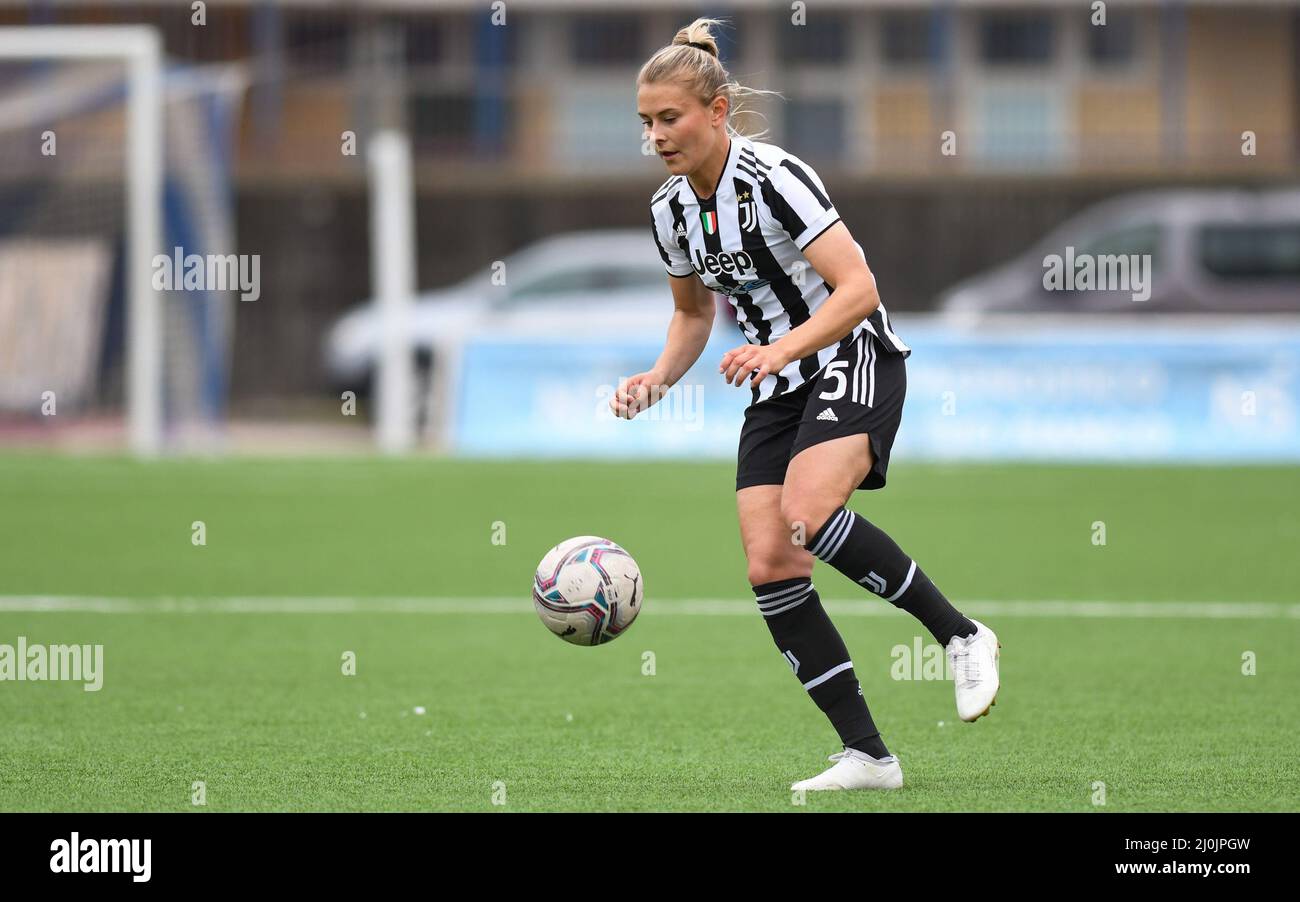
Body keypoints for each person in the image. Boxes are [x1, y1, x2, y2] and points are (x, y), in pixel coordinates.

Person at [613, 18, 1000, 791]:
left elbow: (859, 289)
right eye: (646, 122)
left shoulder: (773, 175)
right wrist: (657, 377)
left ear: (718, 111)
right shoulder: (669, 212)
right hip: (778, 381)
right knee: (770, 564)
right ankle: (869, 757)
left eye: (671, 118)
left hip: (852, 355)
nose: (656, 135)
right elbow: (692, 316)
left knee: (809, 515)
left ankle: (960, 636)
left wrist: (782, 349)